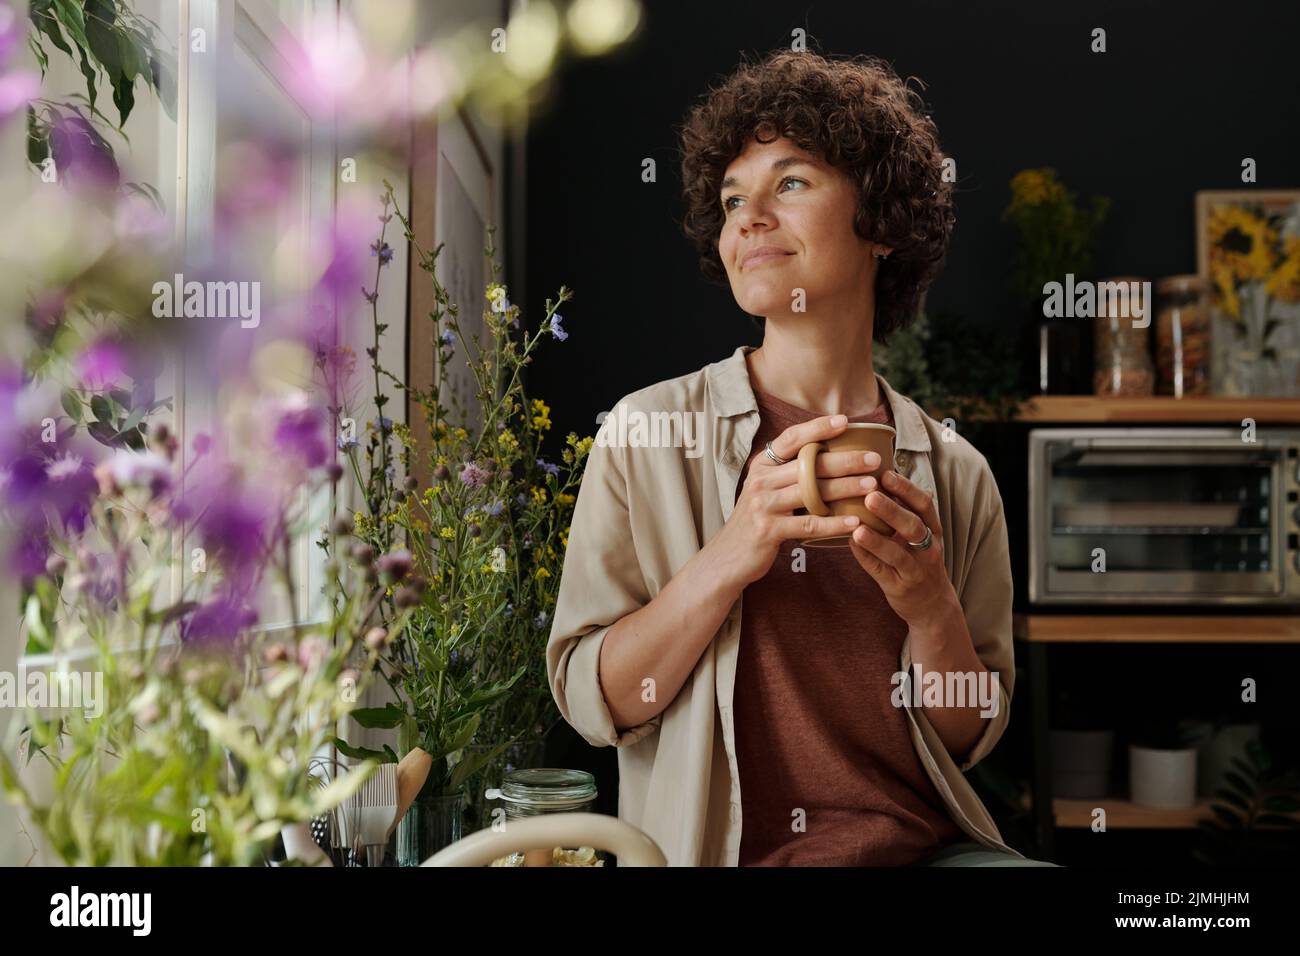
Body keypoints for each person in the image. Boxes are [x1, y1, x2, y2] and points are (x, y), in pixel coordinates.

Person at [546, 50, 1056, 867]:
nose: (748, 217)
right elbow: (594, 701)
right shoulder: (644, 434)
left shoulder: (957, 473)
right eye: (732, 198)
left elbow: (966, 736)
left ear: (882, 224)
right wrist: (730, 556)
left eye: (789, 183)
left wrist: (931, 608)